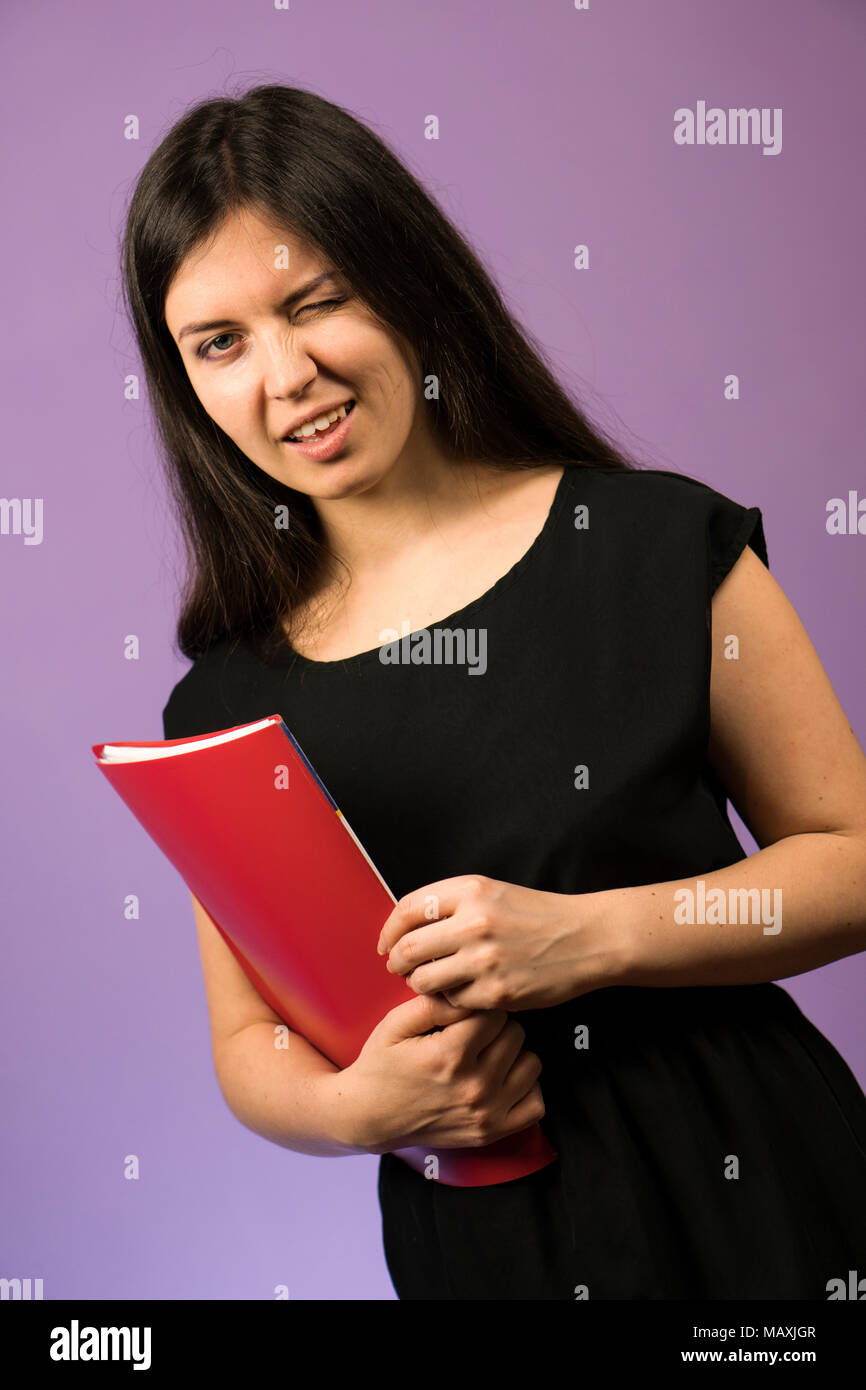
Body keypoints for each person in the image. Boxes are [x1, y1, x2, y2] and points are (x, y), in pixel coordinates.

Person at [123, 83, 866, 1299]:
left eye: (317, 302)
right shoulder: (220, 707)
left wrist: (591, 937)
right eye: (221, 341)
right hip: (480, 1237)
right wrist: (355, 1106)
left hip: (752, 1185)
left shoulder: (654, 543)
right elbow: (247, 1041)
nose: (288, 373)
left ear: (405, 280)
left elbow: (845, 859)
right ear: (187, 380)